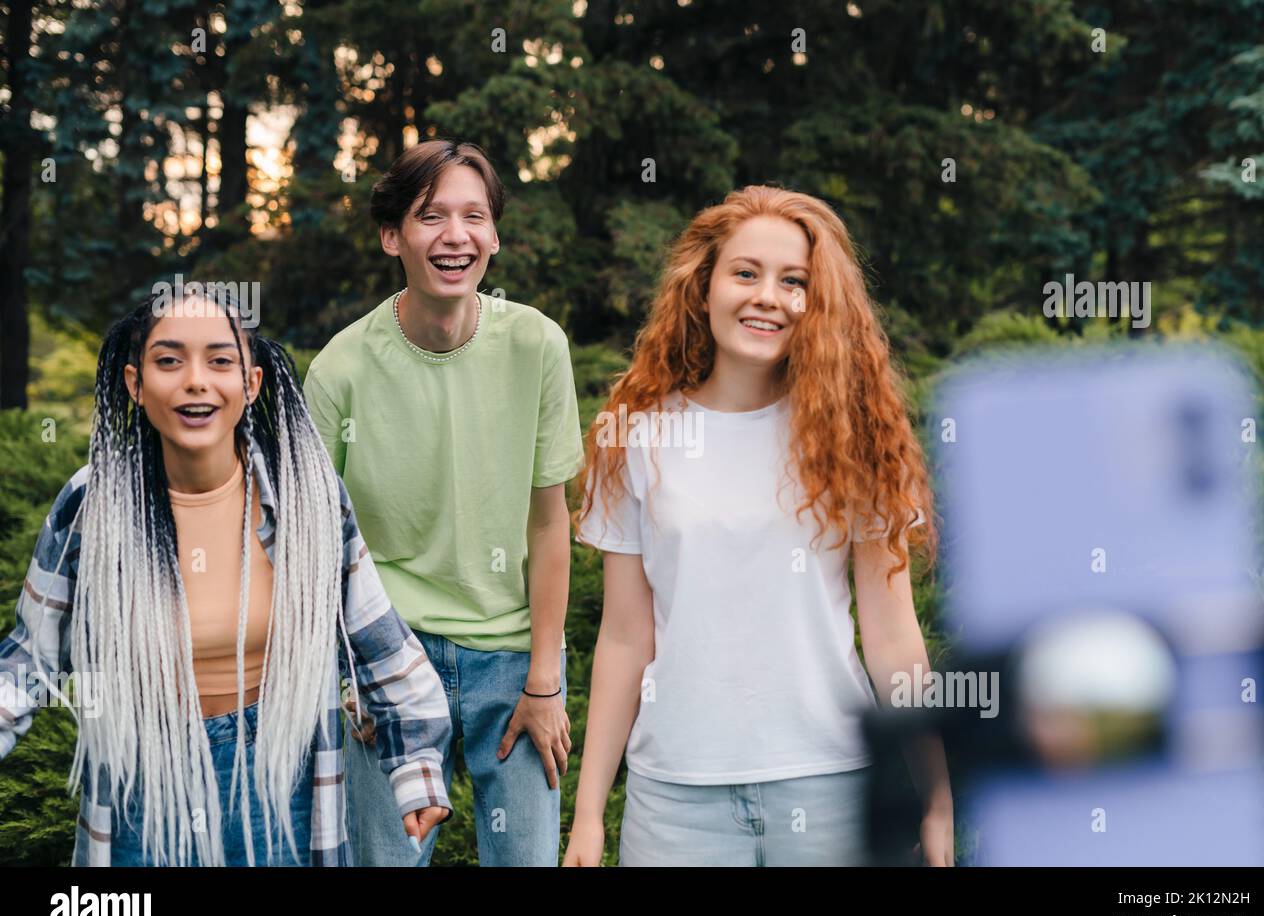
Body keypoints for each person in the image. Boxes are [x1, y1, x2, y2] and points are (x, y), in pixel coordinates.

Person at [563, 185, 955, 867]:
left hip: (834, 782)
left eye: (794, 281)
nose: (767, 296)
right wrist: (589, 815)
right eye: (746, 272)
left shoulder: (853, 439)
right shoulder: (636, 437)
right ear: (704, 284)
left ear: (819, 302)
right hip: (676, 800)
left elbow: (893, 636)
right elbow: (625, 637)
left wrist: (938, 796)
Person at [0, 290, 454, 866]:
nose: (195, 381)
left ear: (252, 383)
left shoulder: (306, 501)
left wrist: (415, 767)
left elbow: (378, 642)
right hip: (143, 781)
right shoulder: (93, 504)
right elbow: (29, 656)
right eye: (169, 361)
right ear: (135, 385)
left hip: (281, 780)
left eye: (219, 361)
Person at [304, 140, 584, 867]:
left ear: (493, 235)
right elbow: (309, 545)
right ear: (393, 235)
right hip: (387, 655)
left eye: (473, 216)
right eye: (431, 217)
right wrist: (346, 674)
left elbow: (550, 522)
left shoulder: (537, 346)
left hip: (512, 661)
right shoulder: (340, 369)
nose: (454, 235)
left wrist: (545, 681)